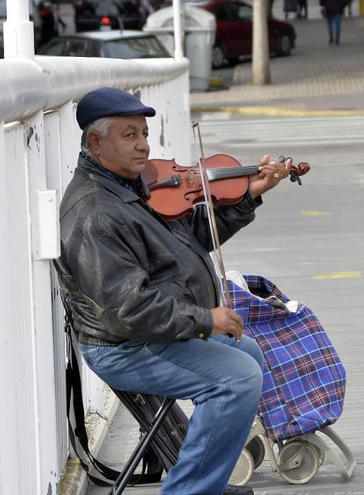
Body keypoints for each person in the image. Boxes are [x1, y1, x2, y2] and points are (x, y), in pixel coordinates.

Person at [55, 87, 293, 495]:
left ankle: (208, 480)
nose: (144, 146)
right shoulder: (96, 210)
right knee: (236, 379)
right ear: (95, 142)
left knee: (248, 354)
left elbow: (192, 238)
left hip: (150, 332)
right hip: (124, 345)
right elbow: (126, 309)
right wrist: (204, 319)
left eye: (145, 134)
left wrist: (247, 196)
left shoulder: (132, 188)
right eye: (129, 135)